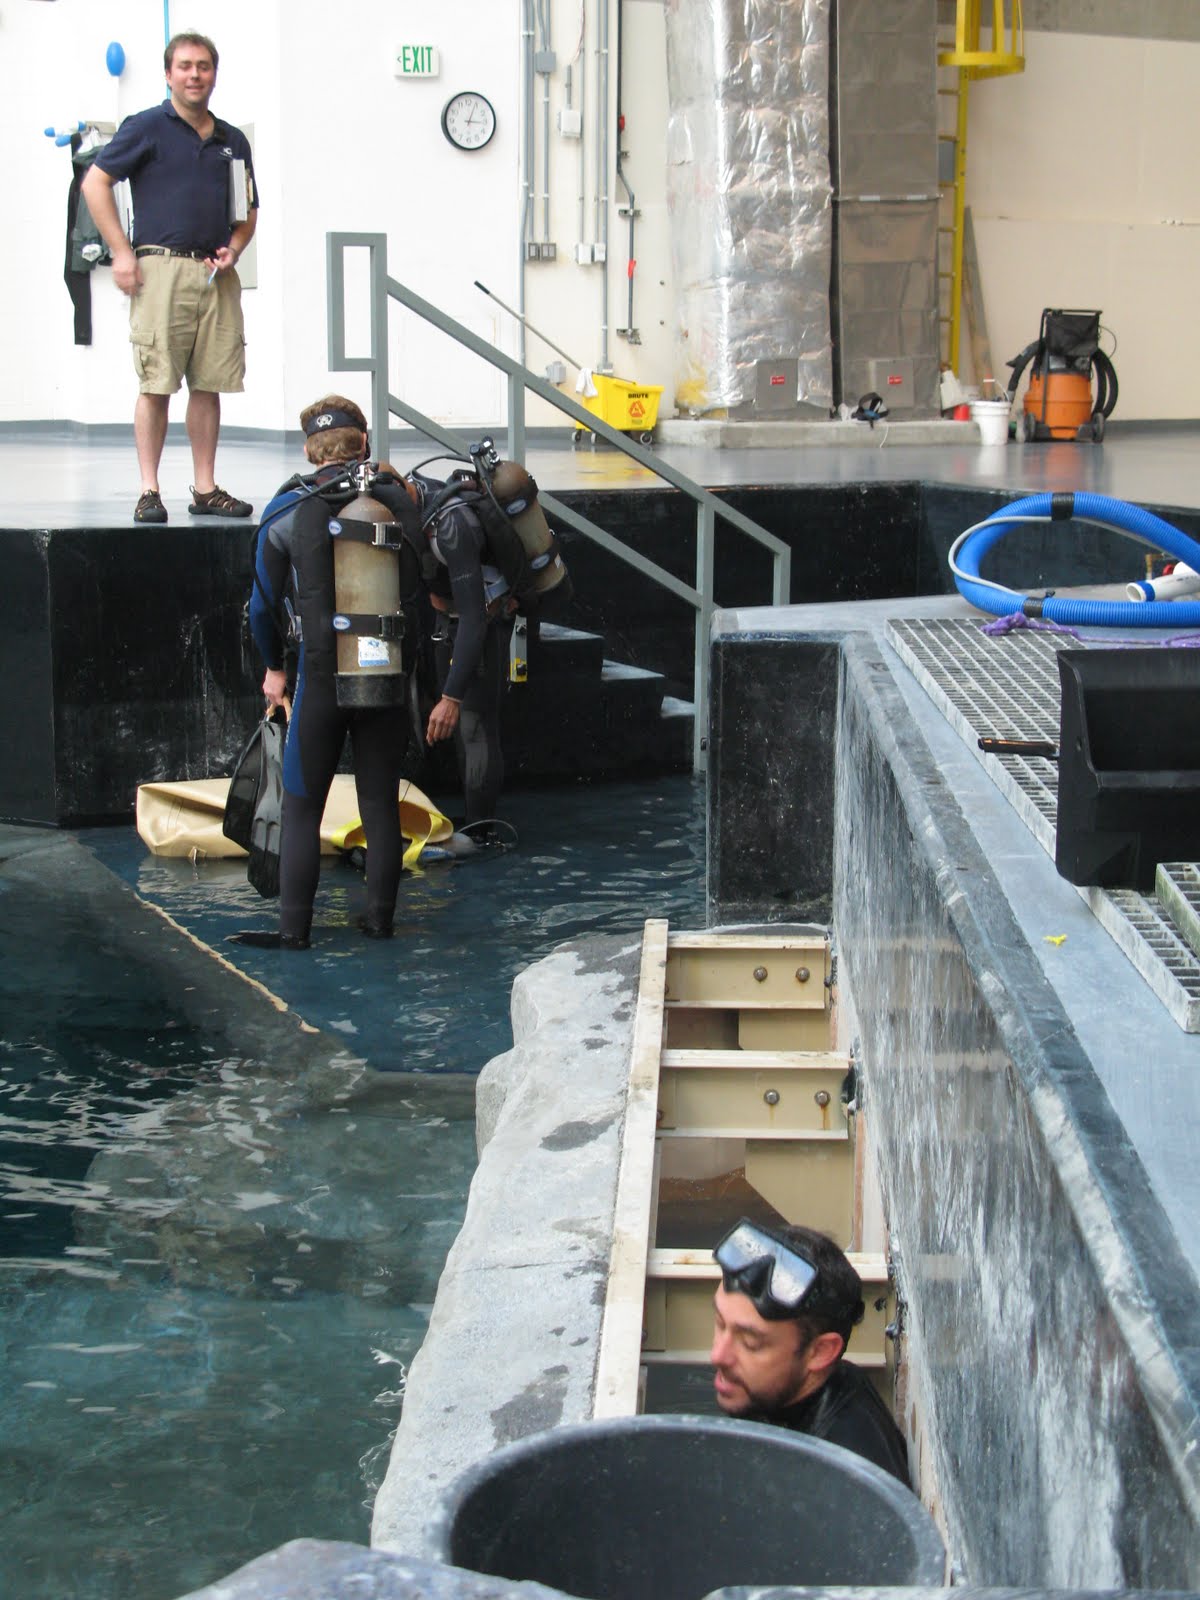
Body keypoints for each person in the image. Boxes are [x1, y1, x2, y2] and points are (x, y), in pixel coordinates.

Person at [243, 395, 421, 949]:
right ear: (364, 442)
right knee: (379, 803)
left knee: (302, 806)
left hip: (320, 675)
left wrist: (275, 668)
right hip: (387, 674)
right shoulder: (400, 503)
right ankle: (380, 920)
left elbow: (260, 604)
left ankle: (295, 932)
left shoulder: (286, 509)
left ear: (308, 449)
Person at [82, 32, 258, 525]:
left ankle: (205, 488)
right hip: (159, 267)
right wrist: (121, 252)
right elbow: (95, 182)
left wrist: (236, 249)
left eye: (203, 66)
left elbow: (247, 211)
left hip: (214, 275)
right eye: (184, 66)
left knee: (210, 382)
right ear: (168, 74)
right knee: (157, 382)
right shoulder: (146, 128)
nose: (194, 74)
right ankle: (149, 489)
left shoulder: (232, 140)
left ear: (214, 74)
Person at [710, 1217, 911, 1485]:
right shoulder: (822, 1384)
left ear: (820, 1352)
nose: (718, 1356)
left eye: (751, 1343)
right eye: (720, 1324)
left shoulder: (840, 1482)